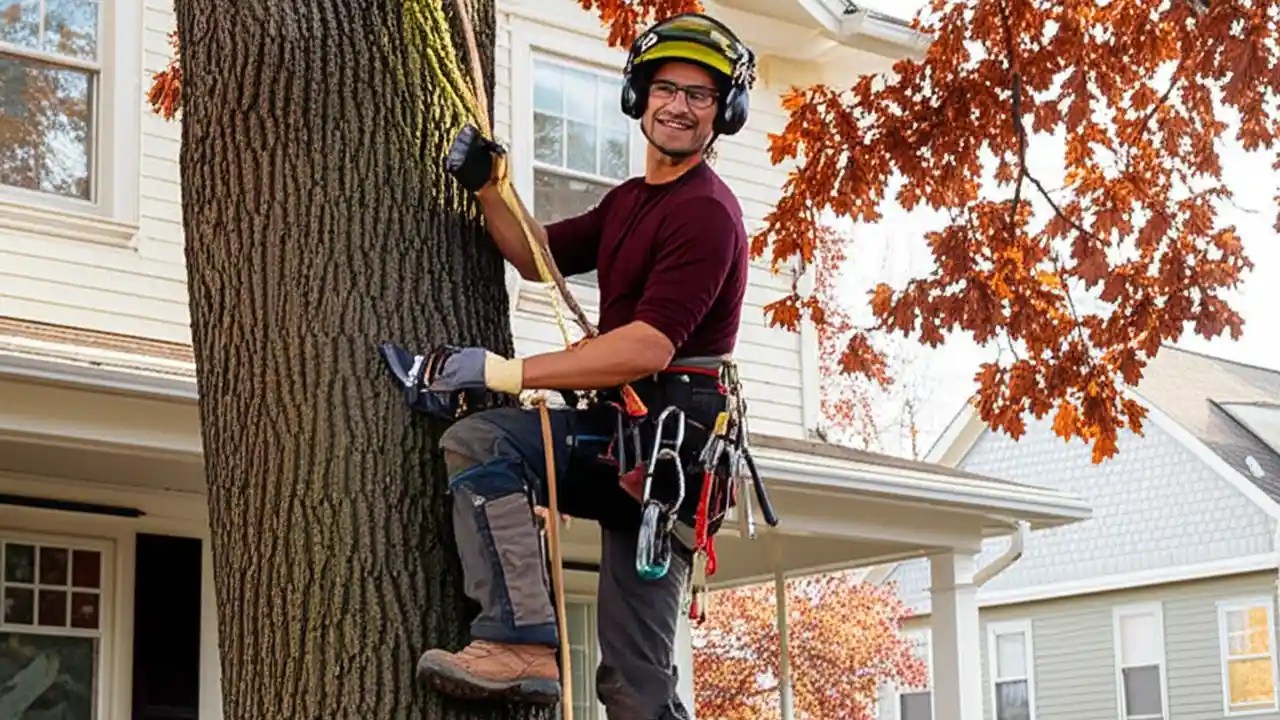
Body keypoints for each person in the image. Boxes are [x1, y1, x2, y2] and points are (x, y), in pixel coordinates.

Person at [391, 12, 758, 719]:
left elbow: (649, 347)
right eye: (666, 88)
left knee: (485, 440)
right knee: (636, 685)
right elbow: (535, 257)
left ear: (724, 113)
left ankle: (519, 641)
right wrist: (489, 187)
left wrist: (505, 373)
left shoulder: (708, 213)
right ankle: (522, 645)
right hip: (627, 437)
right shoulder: (628, 204)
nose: (679, 105)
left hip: (669, 457)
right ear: (640, 97)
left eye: (700, 95)